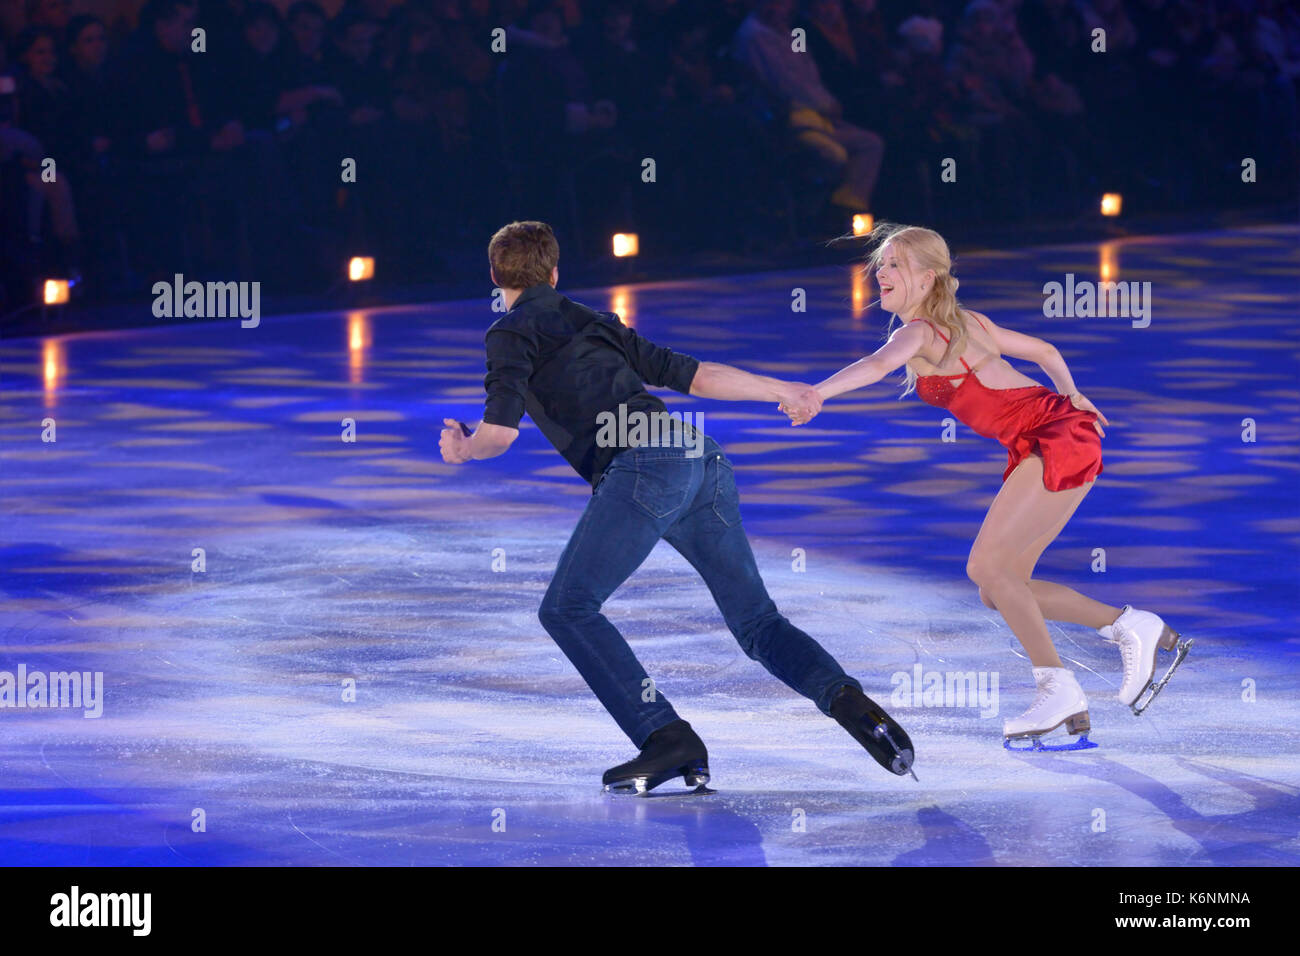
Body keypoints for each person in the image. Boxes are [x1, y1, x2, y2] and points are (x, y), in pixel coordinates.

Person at [438, 220, 916, 793]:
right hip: (697, 455)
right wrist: (782, 389)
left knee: (568, 609)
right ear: (555, 272)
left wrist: (463, 449)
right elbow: (696, 375)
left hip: (643, 467)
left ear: (495, 276)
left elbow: (500, 432)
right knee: (758, 621)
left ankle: (665, 738)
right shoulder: (594, 320)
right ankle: (850, 702)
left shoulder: (509, 332)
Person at [791, 223, 1189, 747]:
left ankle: (1059, 690)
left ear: (929, 278)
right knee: (999, 588)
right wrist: (1077, 397)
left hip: (1054, 438)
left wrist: (817, 393)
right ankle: (1129, 625)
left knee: (985, 567)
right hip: (1061, 434)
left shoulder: (916, 334)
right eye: (881, 264)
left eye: (894, 265)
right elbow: (1045, 351)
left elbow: (876, 364)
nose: (880, 273)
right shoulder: (967, 322)